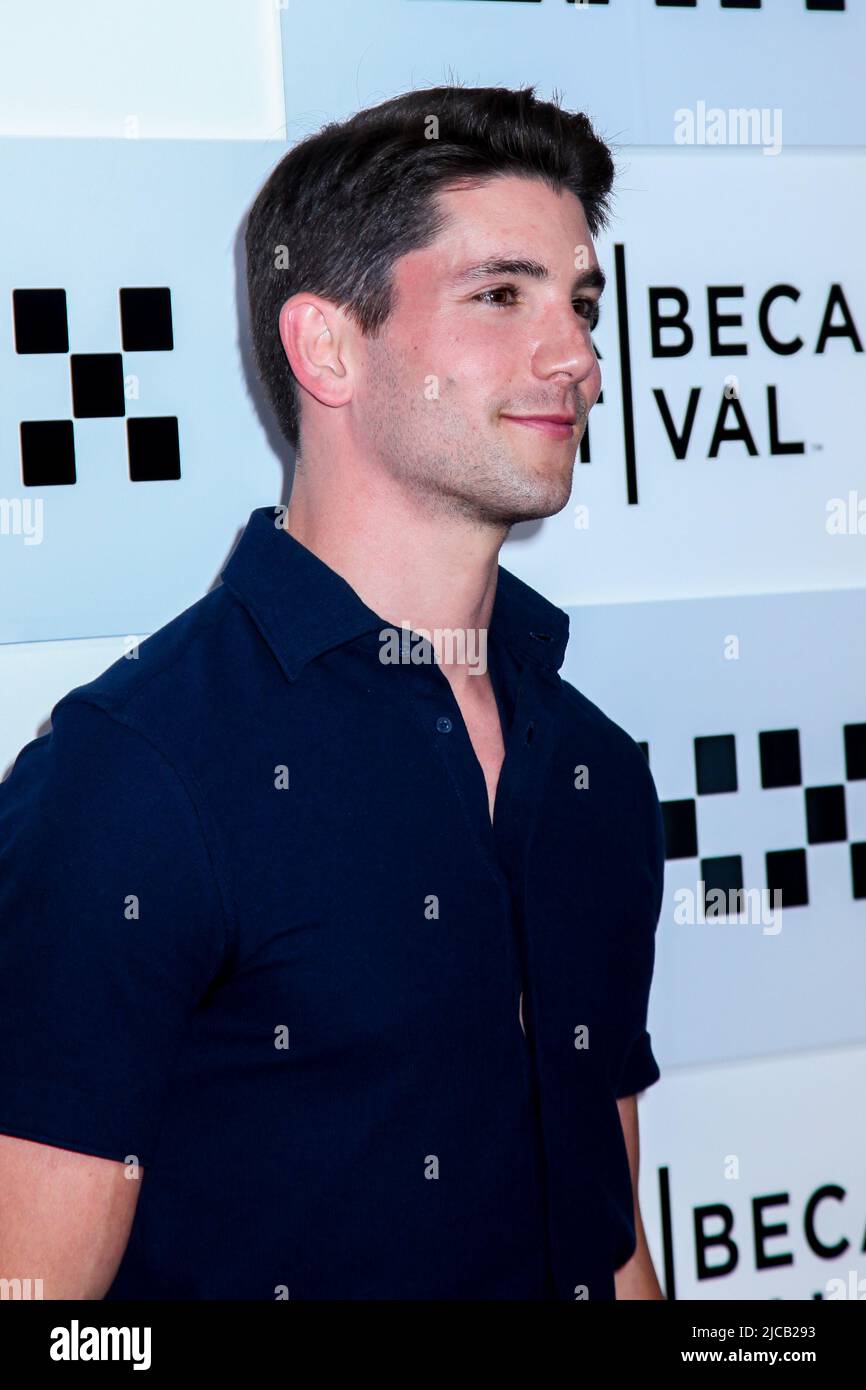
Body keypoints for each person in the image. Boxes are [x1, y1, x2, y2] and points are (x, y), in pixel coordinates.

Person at [0, 83, 665, 1300]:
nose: (573, 353)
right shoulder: (136, 774)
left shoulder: (590, 768)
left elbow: (608, 1244)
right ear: (327, 347)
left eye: (578, 303)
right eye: (499, 294)